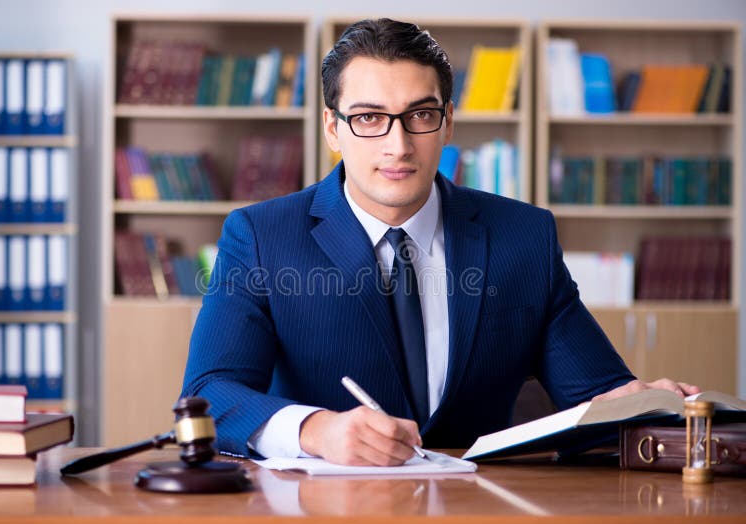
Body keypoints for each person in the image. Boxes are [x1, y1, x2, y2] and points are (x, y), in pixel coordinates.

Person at [181, 18, 699, 466]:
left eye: (420, 116)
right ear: (333, 130)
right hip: (325, 506)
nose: (397, 145)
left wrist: (639, 401)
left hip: (482, 508)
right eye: (368, 118)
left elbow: (594, 395)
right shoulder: (261, 237)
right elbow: (210, 394)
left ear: (447, 121)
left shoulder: (524, 237)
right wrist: (316, 432)